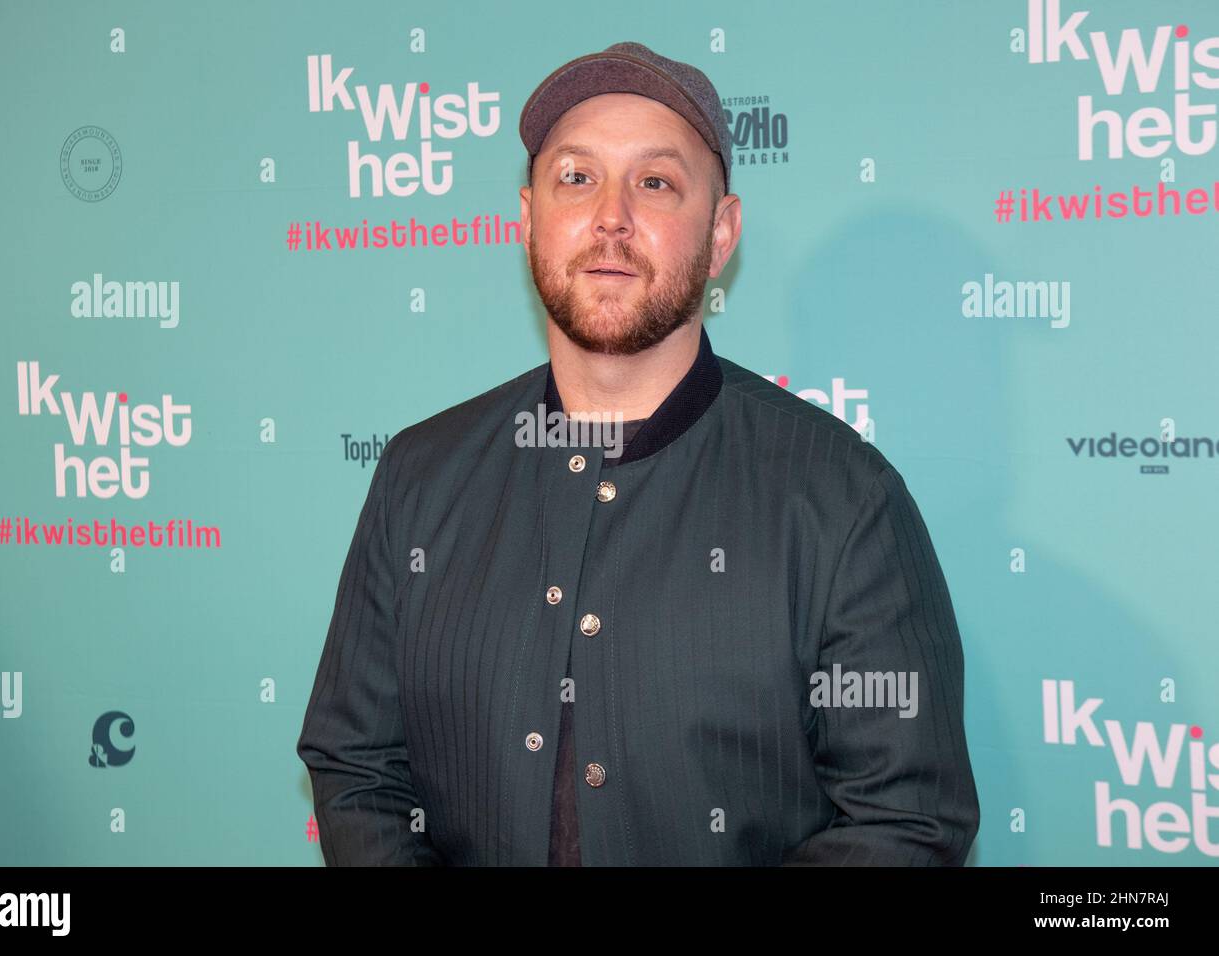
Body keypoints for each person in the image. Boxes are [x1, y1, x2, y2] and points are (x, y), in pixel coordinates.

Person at [297, 41, 980, 866]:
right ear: (527, 220)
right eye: (576, 178)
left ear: (722, 233)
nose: (610, 216)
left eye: (655, 182)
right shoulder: (418, 478)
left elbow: (906, 823)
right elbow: (357, 768)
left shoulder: (843, 502)